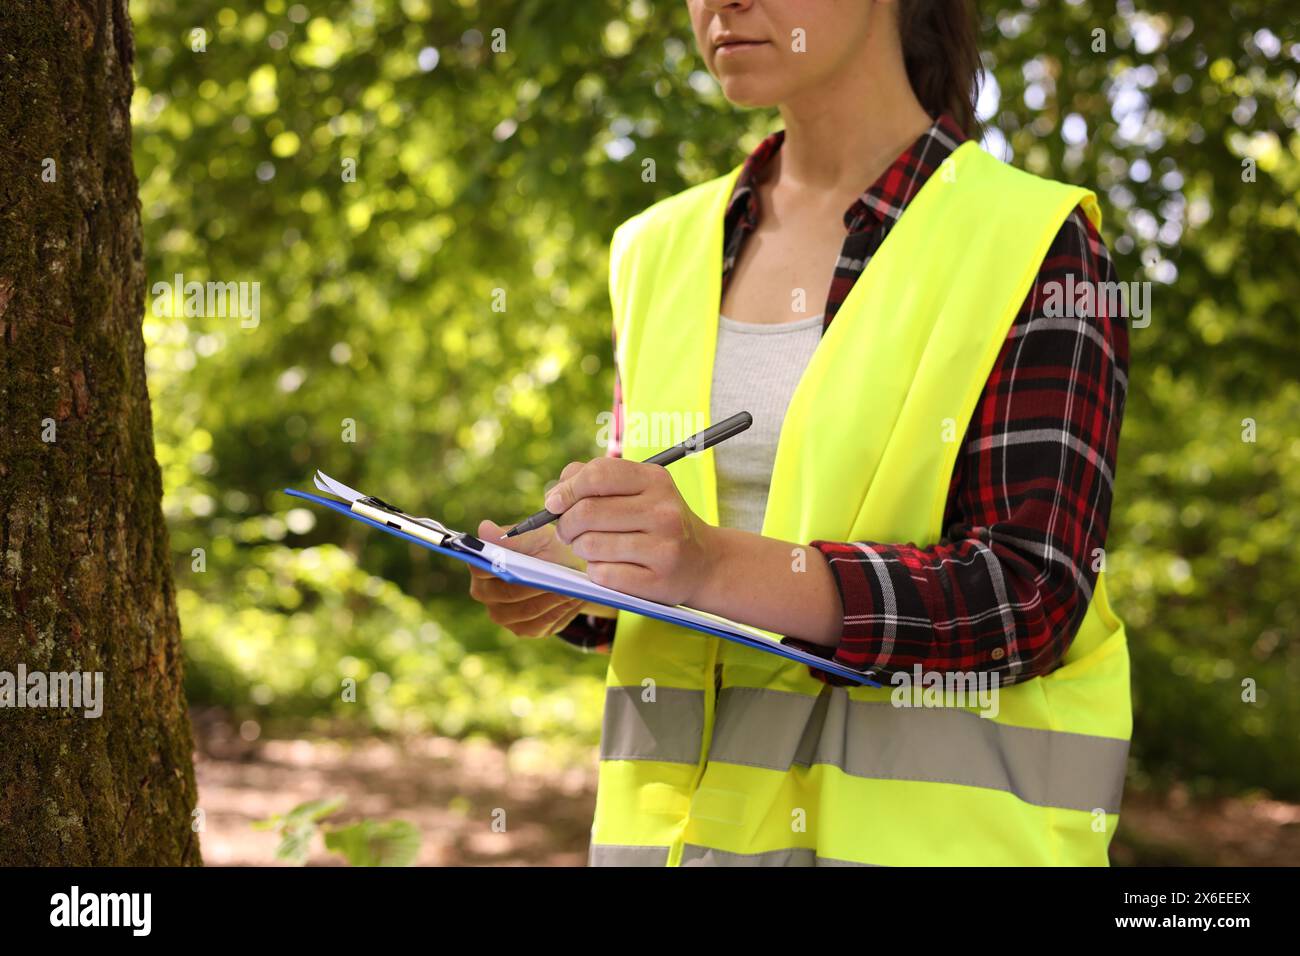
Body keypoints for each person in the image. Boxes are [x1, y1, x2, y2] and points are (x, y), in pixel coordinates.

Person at [468, 0, 1131, 866]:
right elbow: (689, 567)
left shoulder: (1033, 242)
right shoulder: (657, 247)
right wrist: (590, 574)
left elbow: (1028, 594)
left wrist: (709, 561)